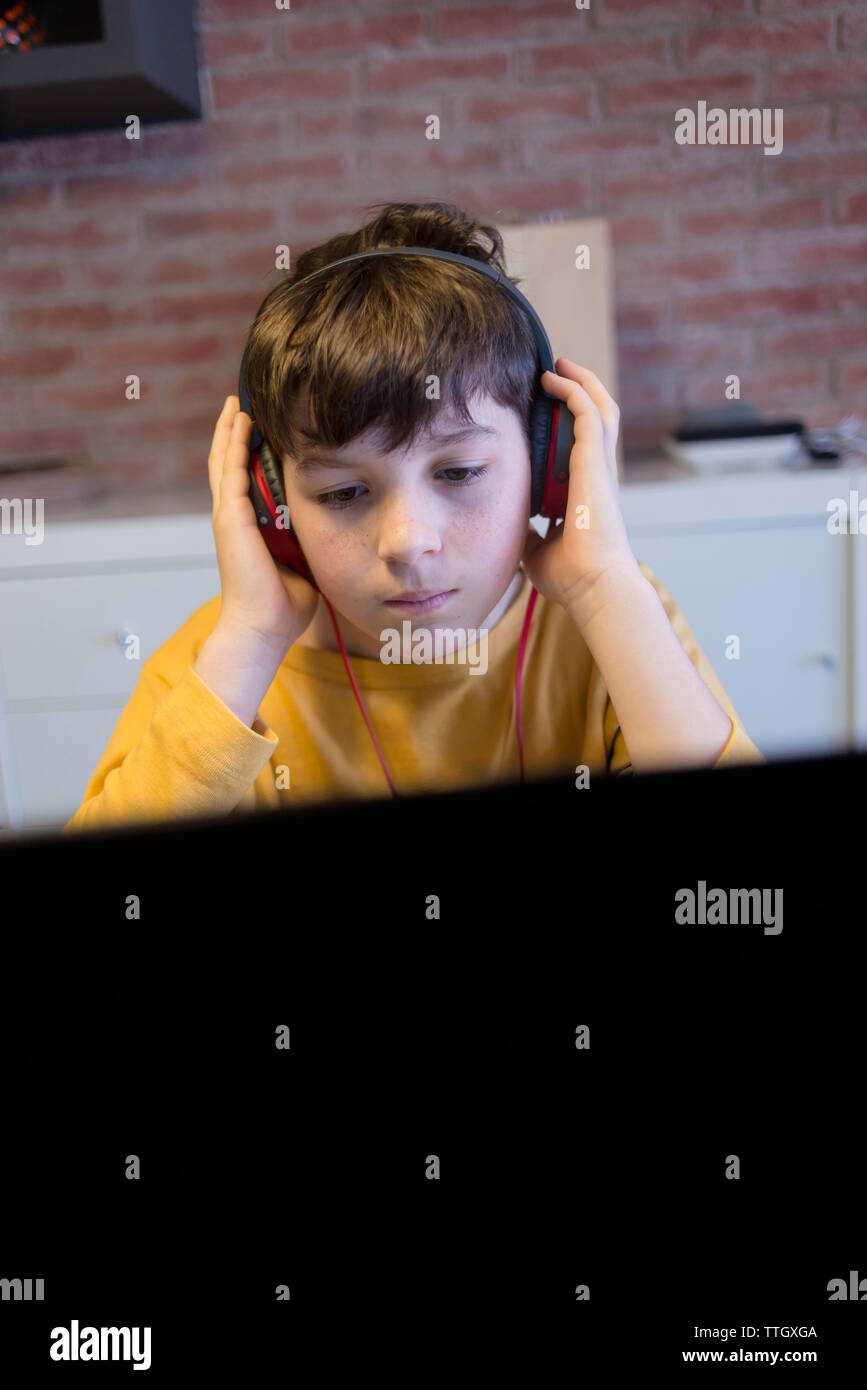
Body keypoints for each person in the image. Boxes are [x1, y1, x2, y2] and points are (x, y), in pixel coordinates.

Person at [64, 200, 764, 833]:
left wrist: (604, 589)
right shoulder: (219, 667)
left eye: (458, 473)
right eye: (343, 493)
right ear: (270, 504)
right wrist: (248, 638)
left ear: (551, 463)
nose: (407, 543)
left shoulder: (612, 625)